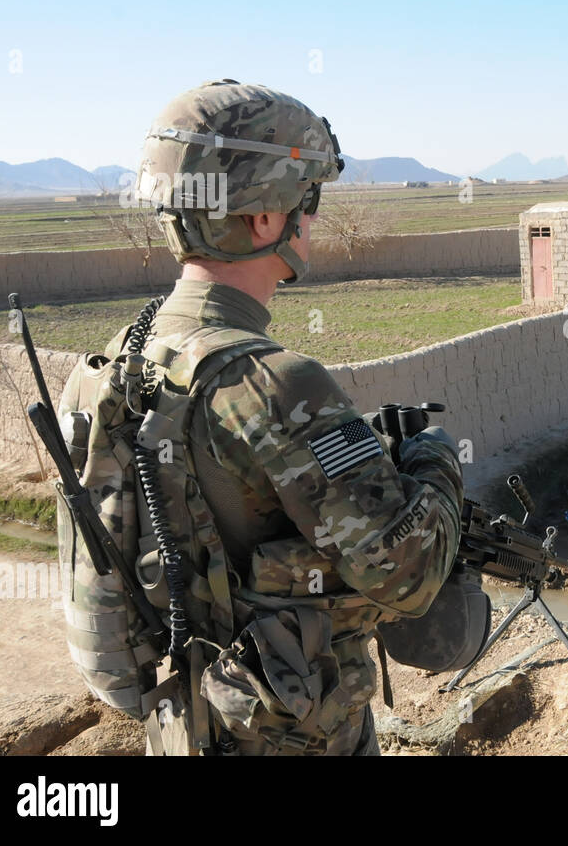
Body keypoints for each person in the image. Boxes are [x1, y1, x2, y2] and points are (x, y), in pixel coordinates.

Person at [110, 79, 463, 755]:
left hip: (182, 725)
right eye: (308, 201)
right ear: (265, 219)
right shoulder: (274, 382)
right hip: (291, 735)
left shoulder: (118, 363)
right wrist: (435, 458)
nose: (313, 221)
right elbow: (410, 575)